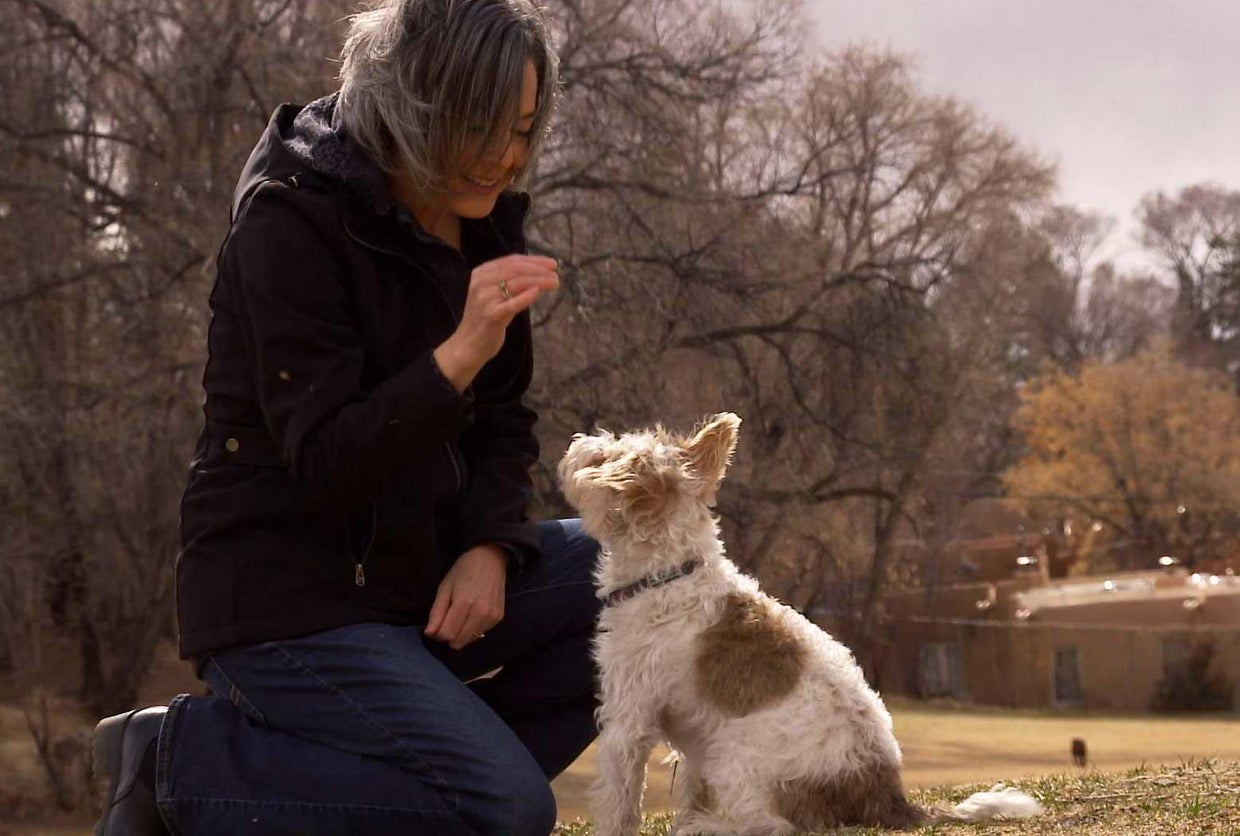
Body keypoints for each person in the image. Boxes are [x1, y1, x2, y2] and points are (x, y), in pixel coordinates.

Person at [91, 1, 602, 834]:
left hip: (416, 584)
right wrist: (458, 353)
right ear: (415, 103)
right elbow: (326, 460)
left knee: (638, 571)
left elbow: (505, 418)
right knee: (508, 810)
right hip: (287, 601)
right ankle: (179, 761)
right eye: (482, 130)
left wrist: (490, 545)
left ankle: (426, 783)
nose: (505, 158)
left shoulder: (479, 217)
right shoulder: (289, 219)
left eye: (520, 130)